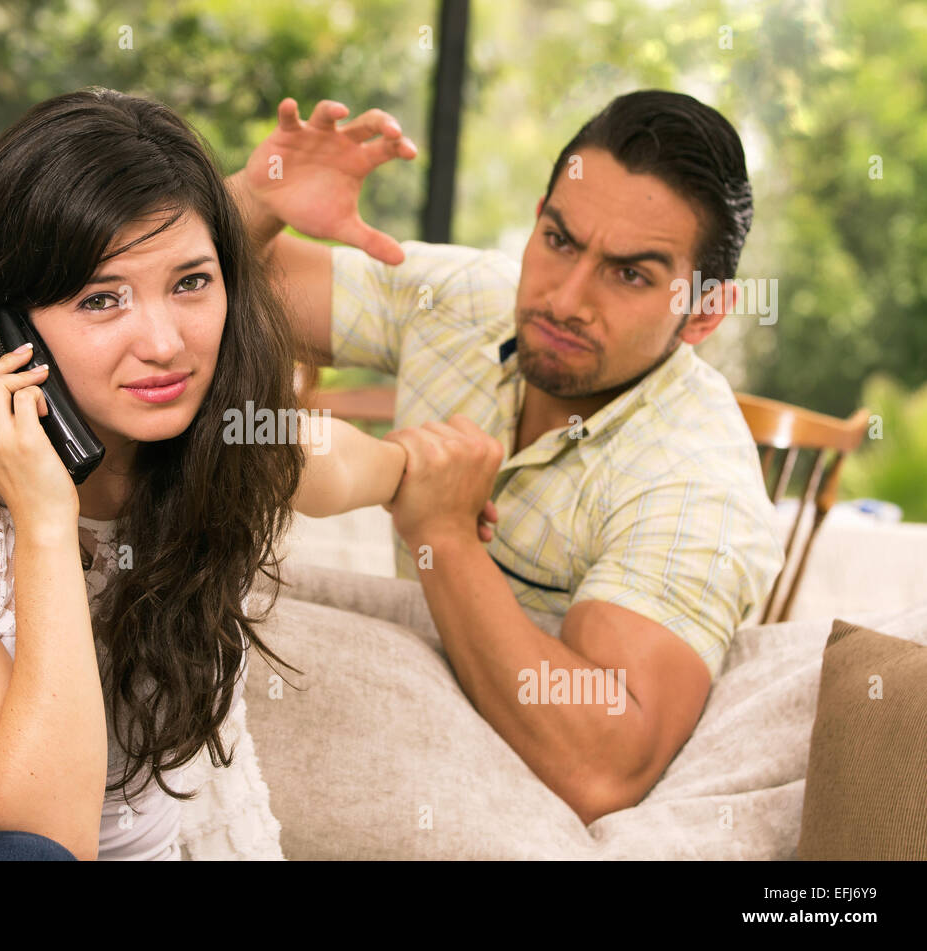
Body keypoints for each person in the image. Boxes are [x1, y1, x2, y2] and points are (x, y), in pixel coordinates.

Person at [0, 87, 495, 861]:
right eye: (102, 299)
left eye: (192, 284)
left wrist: (422, 475)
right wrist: (44, 520)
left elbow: (336, 462)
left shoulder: (214, 450)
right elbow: (48, 829)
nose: (165, 343)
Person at [225, 89, 785, 825]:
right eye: (560, 240)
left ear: (706, 312)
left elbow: (600, 762)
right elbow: (212, 293)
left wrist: (448, 536)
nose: (566, 299)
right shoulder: (471, 298)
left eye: (631, 274)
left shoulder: (696, 481)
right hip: (407, 732)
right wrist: (254, 197)